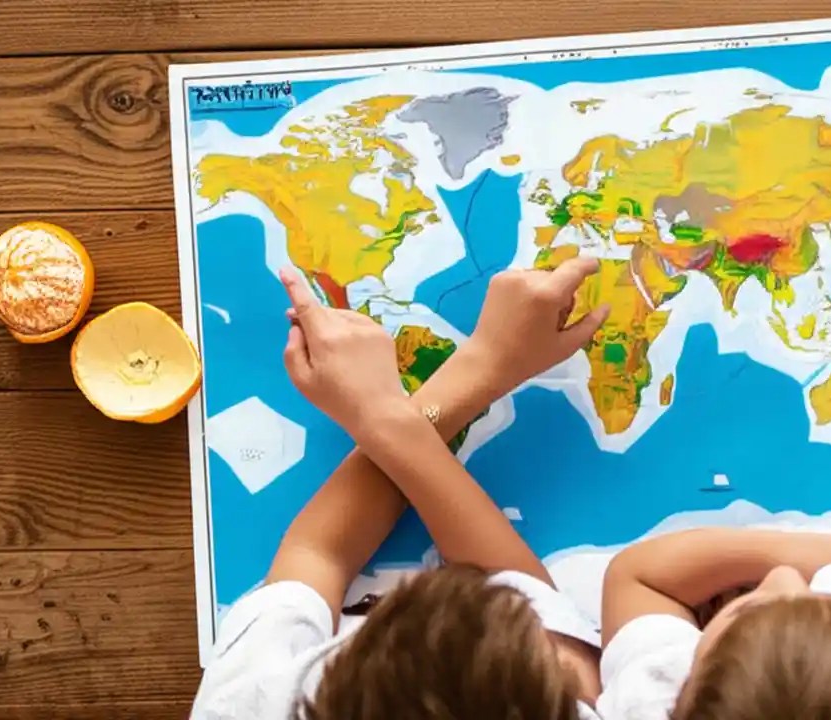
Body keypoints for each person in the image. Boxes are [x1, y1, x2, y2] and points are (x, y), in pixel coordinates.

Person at [190, 258, 611, 720]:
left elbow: (319, 551)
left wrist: (401, 411)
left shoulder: (251, 701)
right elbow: (564, 649)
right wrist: (466, 376)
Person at [597, 528, 831, 720]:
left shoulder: (645, 702)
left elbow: (636, 577)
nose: (783, 575)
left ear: (678, 696)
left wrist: (777, 549)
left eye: (745, 610)